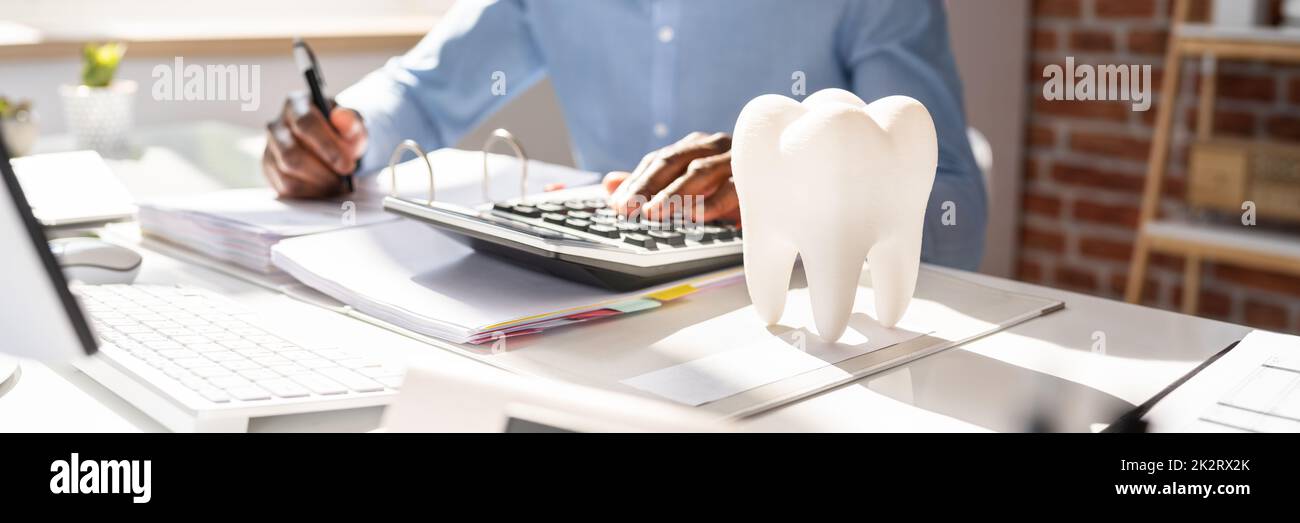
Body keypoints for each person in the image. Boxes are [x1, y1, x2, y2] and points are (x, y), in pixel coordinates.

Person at [262, 0, 987, 270]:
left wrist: (800, 177)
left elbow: (953, 204)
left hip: (794, 331)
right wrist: (343, 133)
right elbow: (422, 90)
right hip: (591, 309)